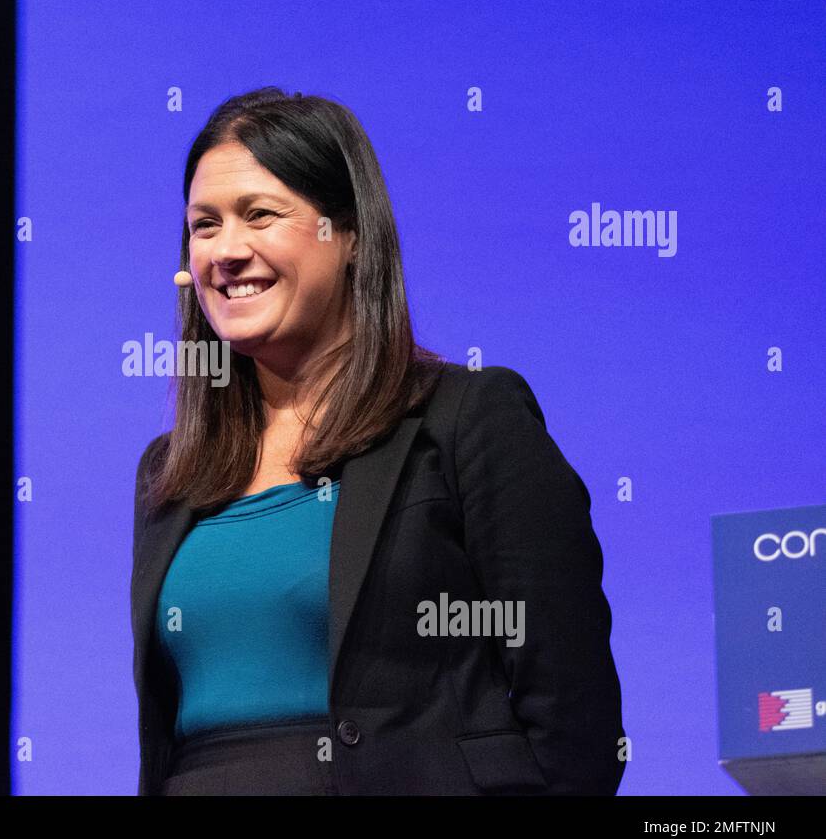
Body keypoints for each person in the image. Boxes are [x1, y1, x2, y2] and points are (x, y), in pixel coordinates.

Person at [131, 87, 625, 795]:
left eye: (260, 215)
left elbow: (574, 712)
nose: (227, 251)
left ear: (350, 234)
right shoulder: (169, 472)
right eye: (204, 225)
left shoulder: (466, 420)